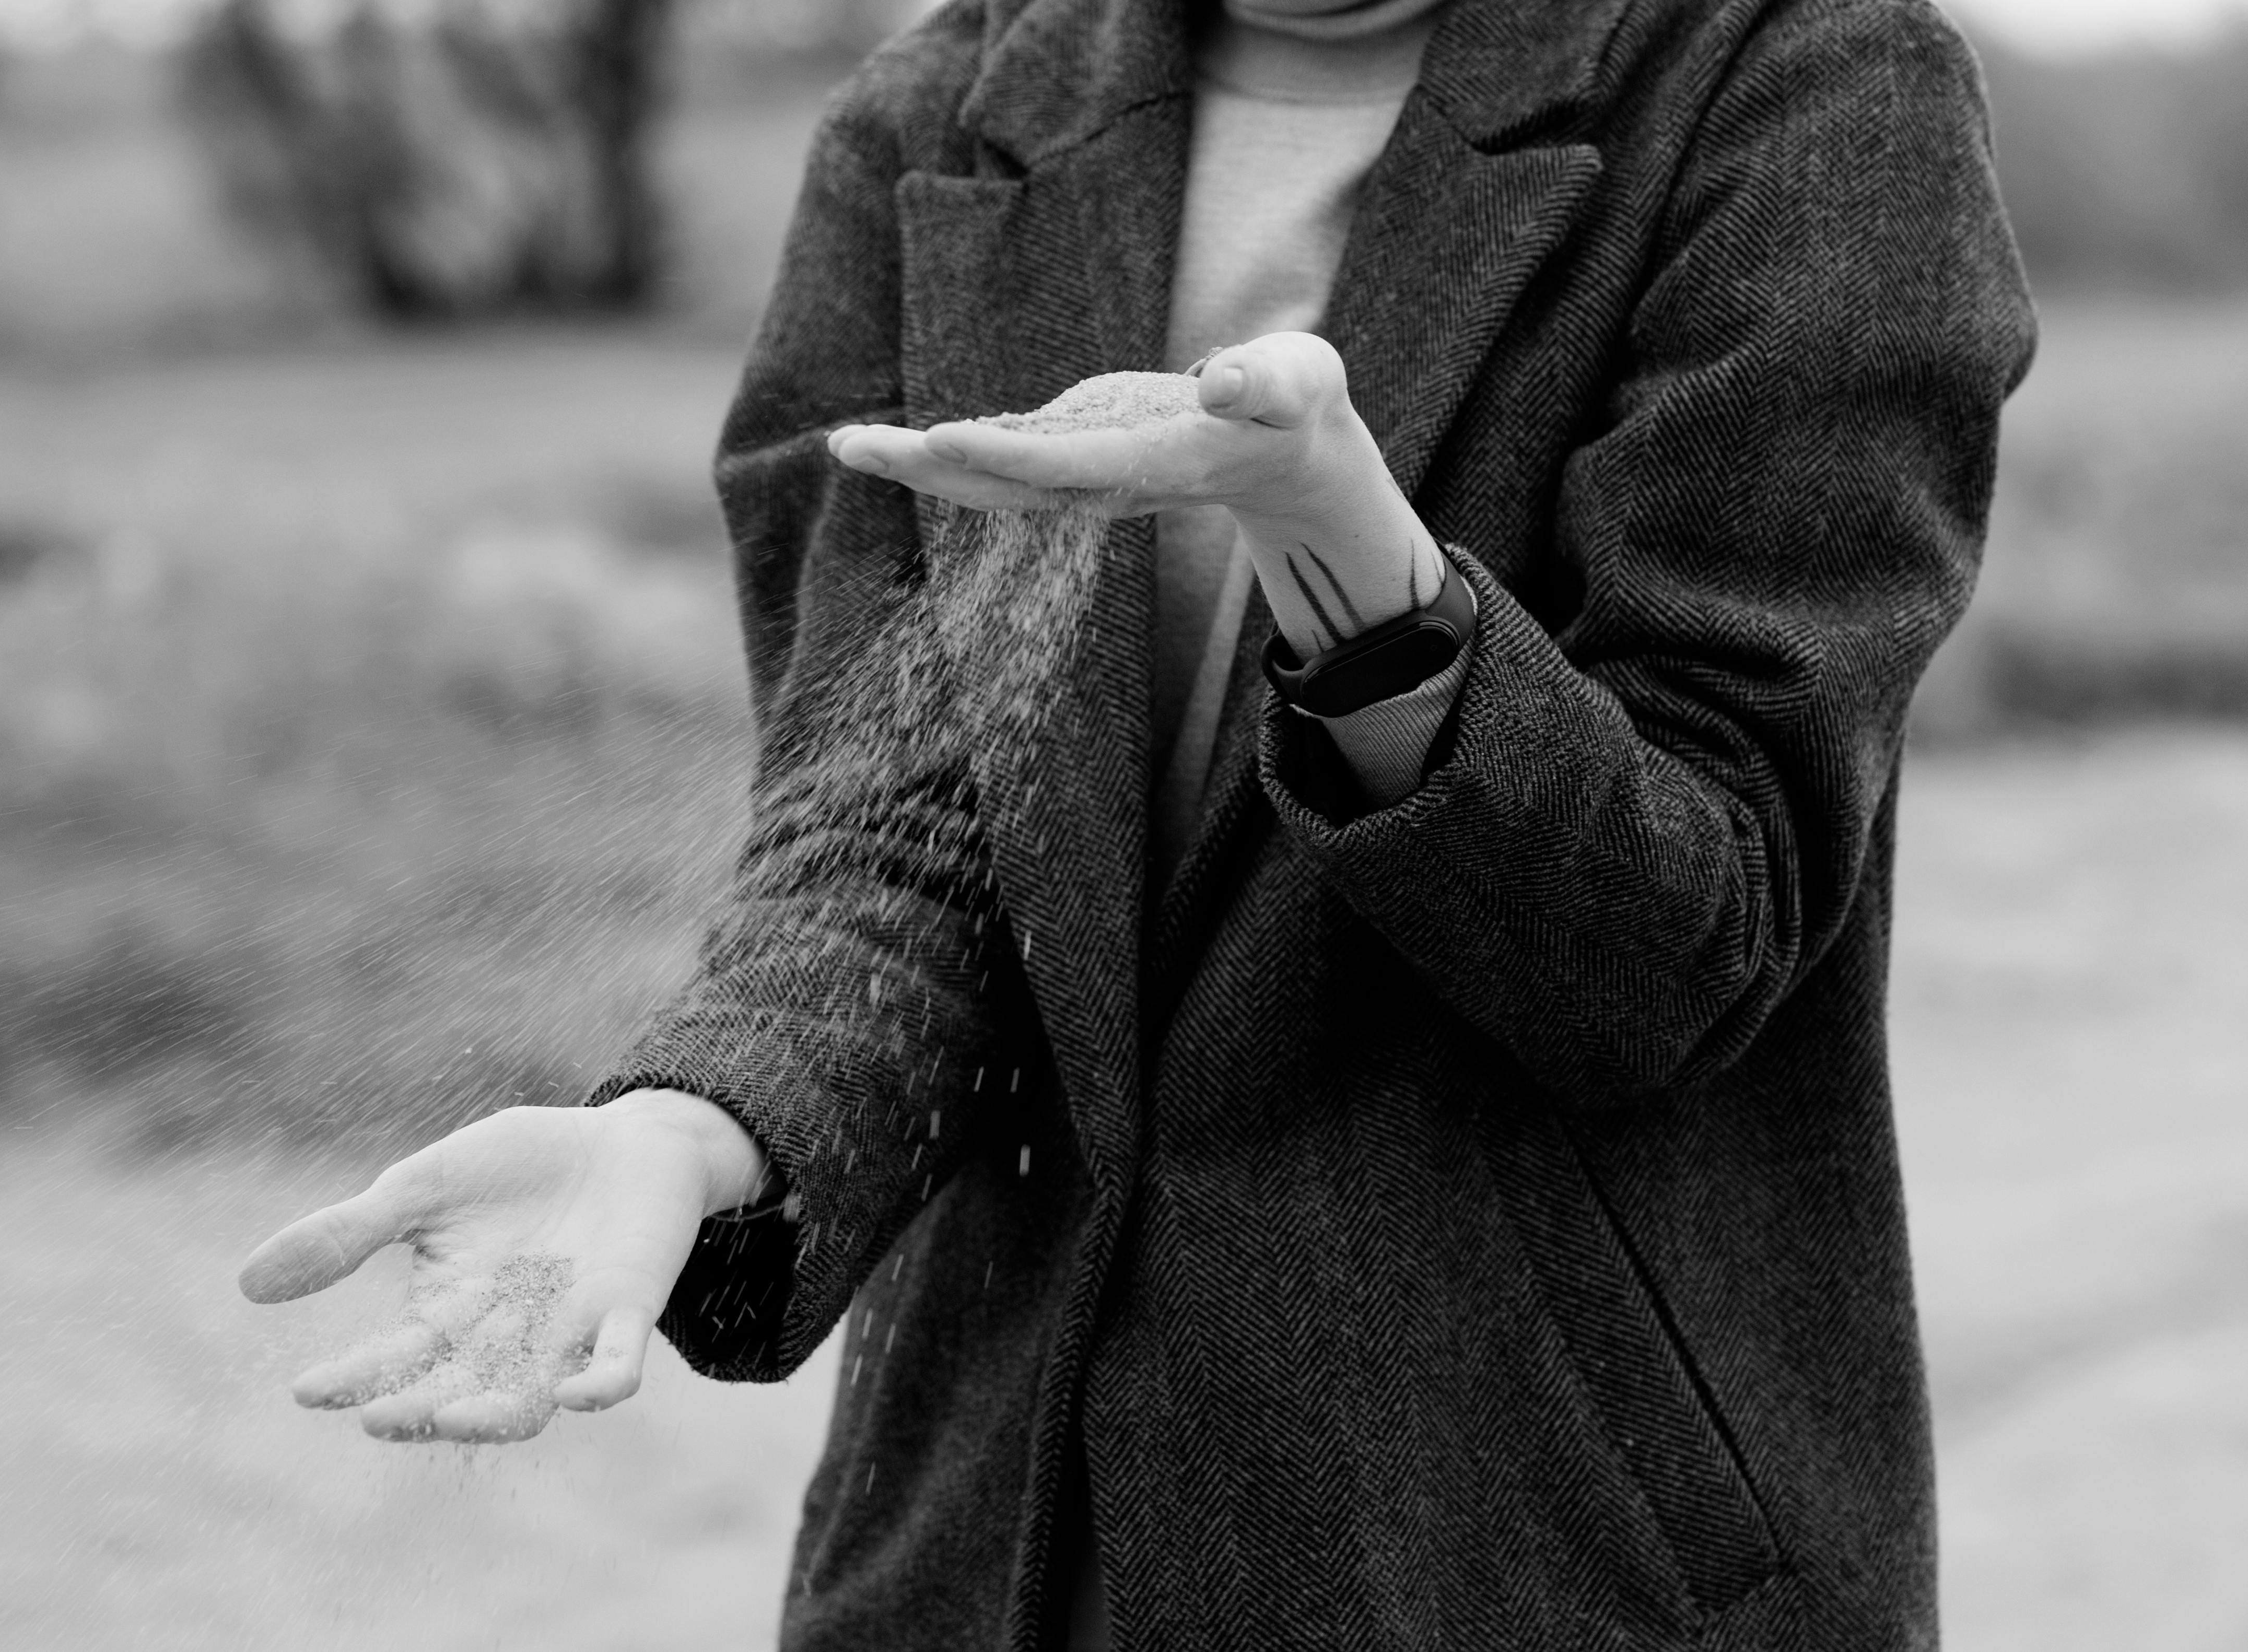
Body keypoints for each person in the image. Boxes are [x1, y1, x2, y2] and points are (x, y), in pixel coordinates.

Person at [239, 0, 2036, 1644]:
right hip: (1001, 1546)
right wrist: (695, 1125)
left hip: (1530, 1545)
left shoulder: (1803, 84)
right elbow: (900, 830)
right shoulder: (935, 117)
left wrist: (1357, 573)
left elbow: (1678, 940)